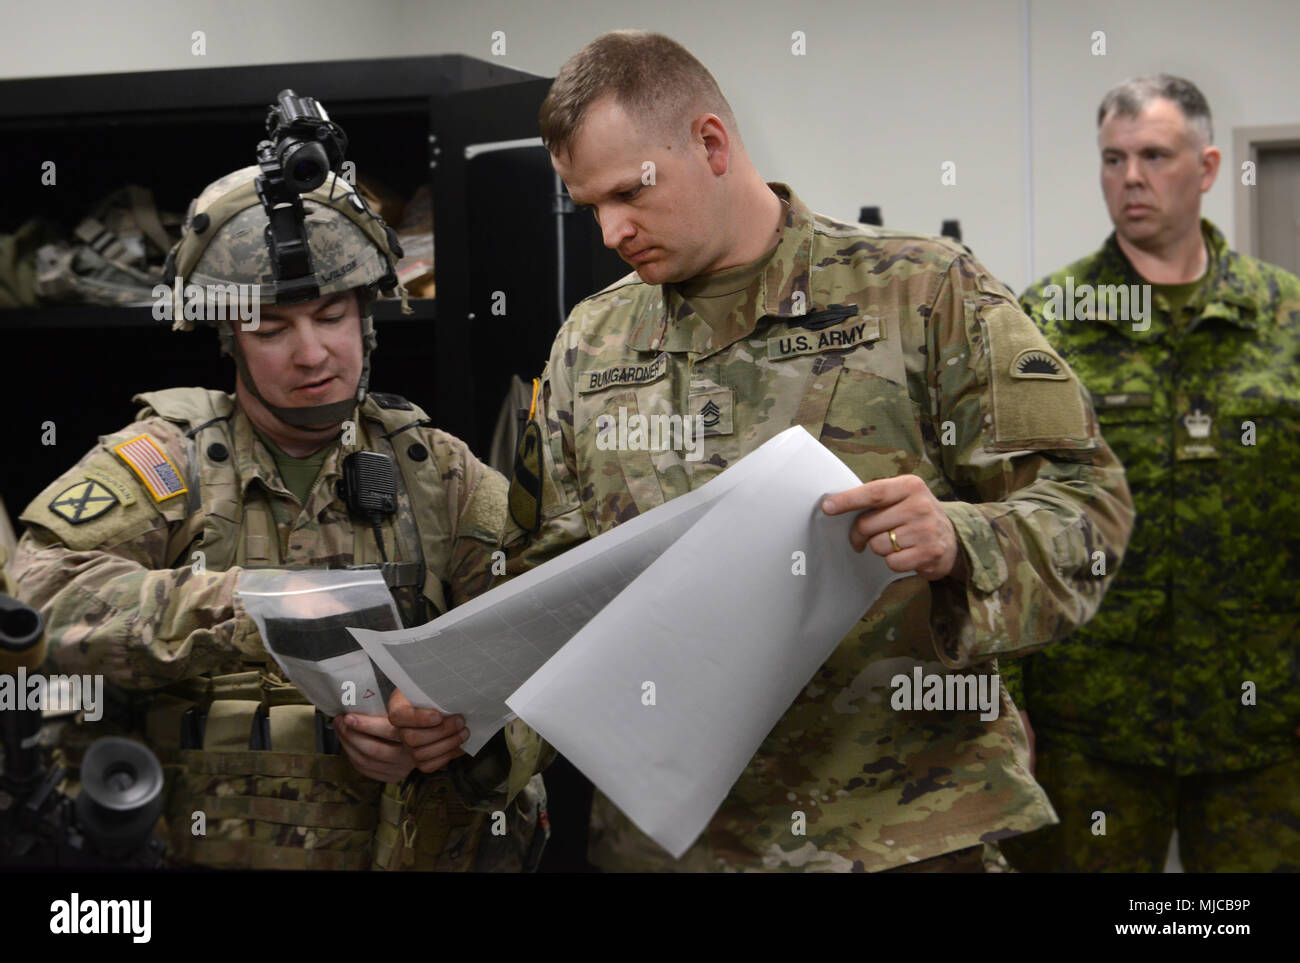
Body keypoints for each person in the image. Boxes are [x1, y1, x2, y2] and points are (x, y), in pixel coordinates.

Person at [504, 29, 1134, 872]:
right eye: (590, 207)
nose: (613, 230)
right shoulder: (591, 341)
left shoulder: (923, 293)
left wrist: (958, 541)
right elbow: (557, 572)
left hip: (898, 833)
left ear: (712, 143)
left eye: (629, 193)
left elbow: (1087, 509)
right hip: (669, 843)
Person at [8, 162, 550, 871]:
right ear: (231, 338)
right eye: (271, 327)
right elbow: (34, 597)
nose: (313, 352)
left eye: (332, 316)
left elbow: (544, 654)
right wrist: (251, 605)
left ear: (367, 315)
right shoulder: (168, 461)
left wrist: (452, 739)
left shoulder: (440, 474)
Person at [1002, 74, 1300, 873]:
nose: (1130, 176)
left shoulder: (1285, 318)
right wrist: (1009, 698)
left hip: (1263, 723)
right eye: (1112, 158)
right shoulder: (1048, 320)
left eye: (1154, 156)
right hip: (1094, 721)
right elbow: (1004, 515)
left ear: (1206, 168)